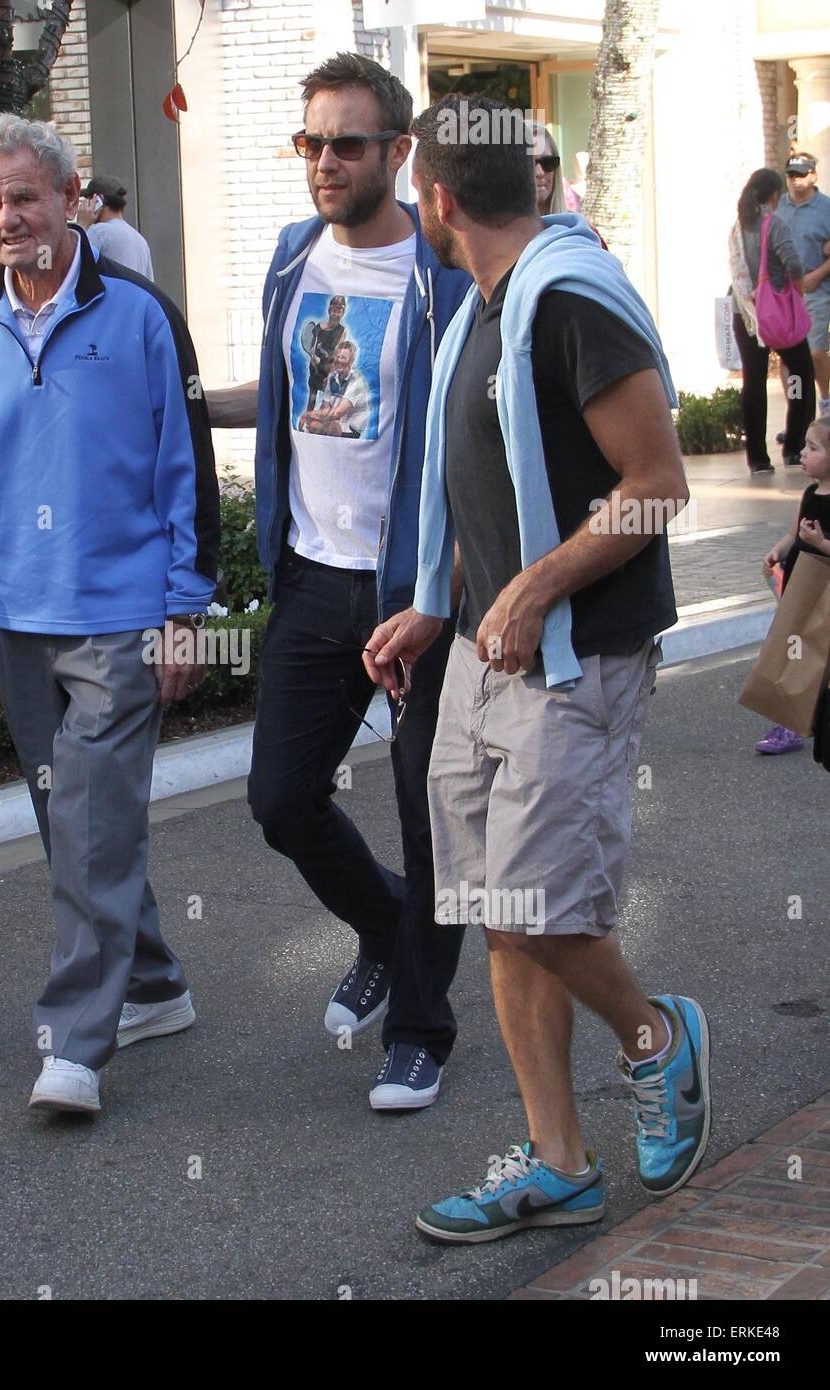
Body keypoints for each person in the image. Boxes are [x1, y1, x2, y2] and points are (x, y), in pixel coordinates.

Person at [365, 93, 710, 1241]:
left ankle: (656, 1035)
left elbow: (655, 485)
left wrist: (530, 586)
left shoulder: (565, 299)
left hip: (572, 656)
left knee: (540, 905)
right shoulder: (482, 304)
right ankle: (557, 1162)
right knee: (495, 910)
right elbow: (490, 483)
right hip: (477, 651)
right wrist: (439, 605)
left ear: (440, 201)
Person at [0, 114, 218, 1116]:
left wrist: (184, 610)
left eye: (23, 196)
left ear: (67, 196)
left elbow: (187, 472)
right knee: (73, 822)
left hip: (118, 616)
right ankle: (156, 981)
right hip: (14, 617)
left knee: (86, 822)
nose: (8, 217)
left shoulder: (137, 315)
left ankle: (75, 1043)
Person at [205, 52, 473, 1111]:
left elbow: (478, 443)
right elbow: (278, 394)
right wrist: (179, 399)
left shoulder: (444, 272)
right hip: (313, 579)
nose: (323, 161)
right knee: (279, 799)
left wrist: (445, 590)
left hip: (418, 593)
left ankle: (419, 1024)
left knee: (426, 812)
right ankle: (383, 921)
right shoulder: (287, 257)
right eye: (309, 141)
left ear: (397, 154)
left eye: (346, 143)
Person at [729, 167, 815, 472]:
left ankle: (757, 459)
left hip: (745, 313)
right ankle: (794, 446)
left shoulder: (739, 225)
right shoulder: (772, 223)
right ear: (775, 195)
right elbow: (793, 263)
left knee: (753, 382)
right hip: (777, 314)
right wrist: (797, 295)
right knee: (800, 373)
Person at [755, 416, 830, 754]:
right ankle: (790, 723)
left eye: (812, 448)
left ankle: (812, 716)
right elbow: (793, 533)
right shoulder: (810, 493)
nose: (802, 453)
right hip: (802, 585)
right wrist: (778, 550)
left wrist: (821, 543)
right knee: (795, 650)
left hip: (824, 588)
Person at [776, 153, 830, 418]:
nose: (795, 181)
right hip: (784, 294)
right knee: (789, 357)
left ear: (813, 176)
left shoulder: (826, 208)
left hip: (815, 290)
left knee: (816, 351)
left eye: (801, 175)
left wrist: (817, 275)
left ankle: (825, 399)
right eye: (791, 176)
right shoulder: (778, 207)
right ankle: (796, 411)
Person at [75, 174, 154, 279]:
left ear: (99, 200)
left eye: (88, 199)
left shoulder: (98, 232)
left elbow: (70, 266)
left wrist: (82, 224)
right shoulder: (141, 241)